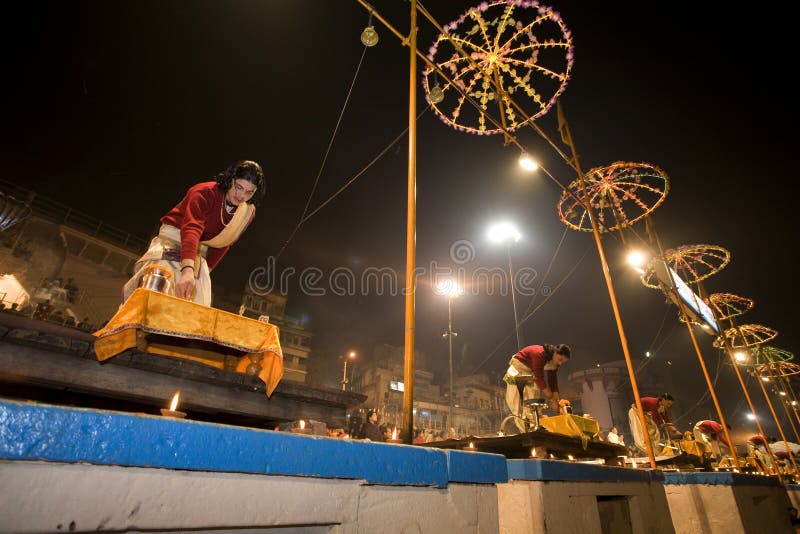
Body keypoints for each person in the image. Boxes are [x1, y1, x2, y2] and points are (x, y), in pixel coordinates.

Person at [122, 160, 265, 306]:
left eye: (249, 192)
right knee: (154, 299)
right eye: (238, 187)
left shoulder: (246, 213)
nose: (241, 196)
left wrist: (204, 273)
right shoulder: (205, 192)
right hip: (173, 242)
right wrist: (188, 270)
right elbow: (192, 228)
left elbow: (224, 243)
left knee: (195, 306)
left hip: (198, 256)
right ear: (231, 179)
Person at [503, 344, 571, 432]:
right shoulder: (539, 354)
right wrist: (552, 400)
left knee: (533, 406)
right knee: (517, 407)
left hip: (530, 375)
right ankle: (528, 433)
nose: (560, 363)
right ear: (555, 353)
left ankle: (538, 430)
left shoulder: (554, 363)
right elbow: (540, 378)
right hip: (516, 372)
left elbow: (553, 383)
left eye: (563, 362)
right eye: (560, 359)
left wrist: (558, 403)